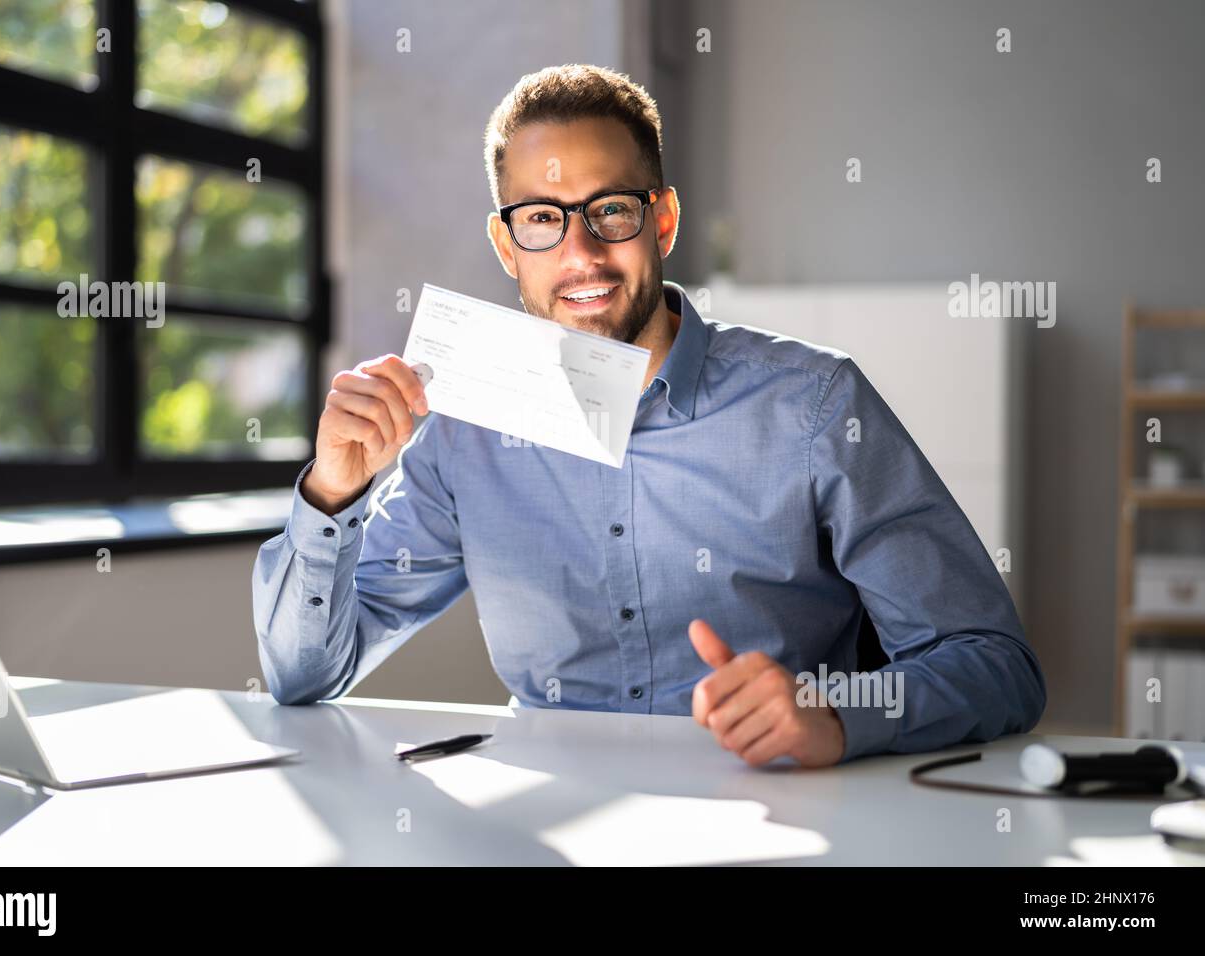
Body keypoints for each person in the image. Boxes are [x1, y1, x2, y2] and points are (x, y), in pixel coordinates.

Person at [252, 64, 1045, 767]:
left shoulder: (814, 405)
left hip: (780, 816)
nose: (582, 255)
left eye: (612, 212)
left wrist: (839, 713)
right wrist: (331, 493)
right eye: (541, 218)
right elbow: (300, 678)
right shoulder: (464, 435)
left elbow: (993, 663)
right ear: (507, 245)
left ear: (662, 220)